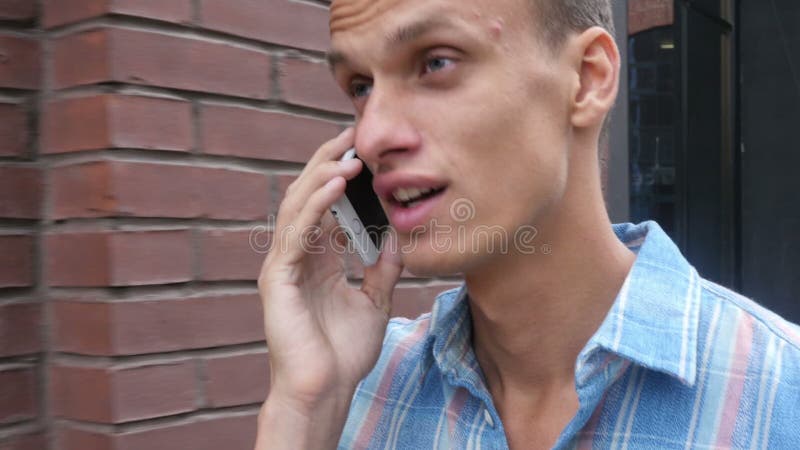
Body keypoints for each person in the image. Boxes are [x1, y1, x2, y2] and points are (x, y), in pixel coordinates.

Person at [254, 0, 800, 448]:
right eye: (361, 86)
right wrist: (304, 412)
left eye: (436, 62)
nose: (371, 136)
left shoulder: (782, 396)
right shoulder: (360, 389)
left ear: (586, 79)